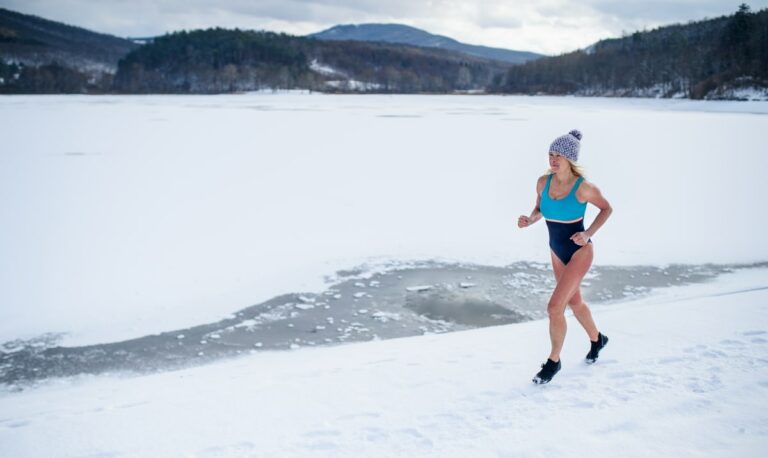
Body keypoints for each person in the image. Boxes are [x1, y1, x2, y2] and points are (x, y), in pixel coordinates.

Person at [518, 130, 613, 384]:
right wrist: (530, 219)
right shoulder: (543, 182)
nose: (553, 159)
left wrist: (588, 233)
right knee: (575, 303)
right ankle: (597, 339)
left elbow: (606, 208)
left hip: (580, 251)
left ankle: (554, 360)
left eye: (559, 155)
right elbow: (540, 208)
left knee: (554, 307)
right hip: (557, 251)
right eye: (551, 154)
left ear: (570, 158)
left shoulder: (584, 188)